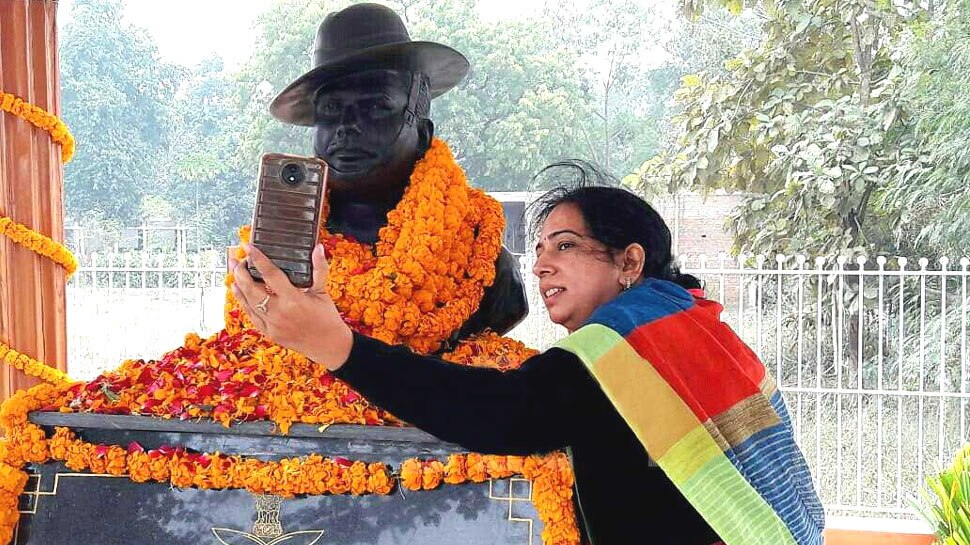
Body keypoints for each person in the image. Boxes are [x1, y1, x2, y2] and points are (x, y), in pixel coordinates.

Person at [229, 162, 825, 545]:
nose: (541, 264)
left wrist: (336, 345)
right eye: (538, 248)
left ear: (630, 263)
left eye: (566, 246)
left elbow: (503, 410)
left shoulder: (626, 347)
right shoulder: (696, 322)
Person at [268, 2, 527, 343]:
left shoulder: (484, 265)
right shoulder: (277, 254)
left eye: (375, 106)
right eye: (331, 109)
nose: (347, 126)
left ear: (422, 134)